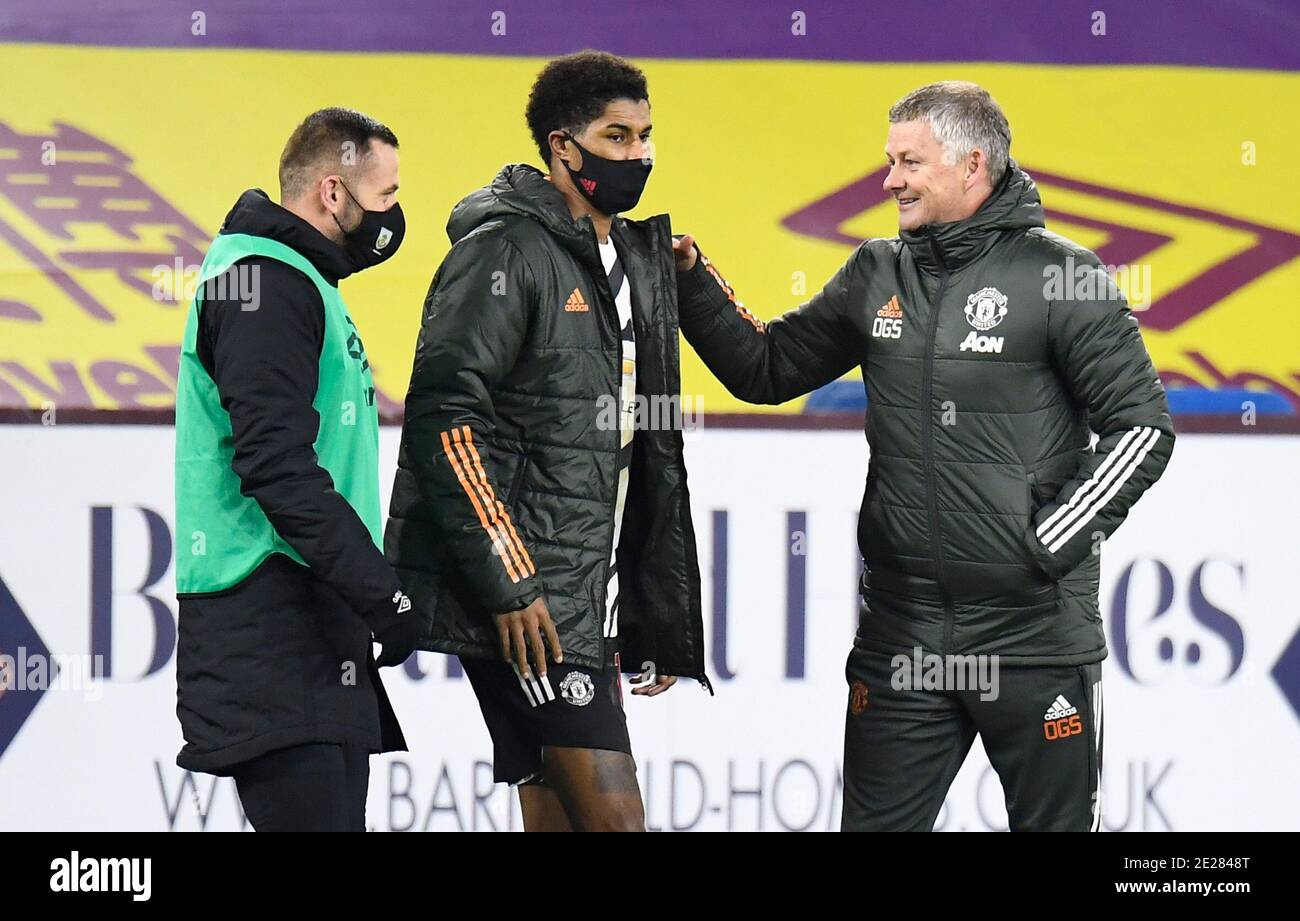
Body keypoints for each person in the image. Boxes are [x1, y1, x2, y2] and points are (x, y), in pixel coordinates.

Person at [672, 81, 1174, 831]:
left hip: (1034, 638)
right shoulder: (876, 272)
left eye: (910, 161)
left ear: (973, 164)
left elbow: (1142, 428)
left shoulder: (1063, 277)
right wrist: (688, 278)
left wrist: (1044, 544)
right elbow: (766, 369)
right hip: (901, 637)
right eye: (889, 160)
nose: (890, 180)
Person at [386, 51, 708, 832]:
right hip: (525, 605)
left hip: (578, 600)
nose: (639, 154)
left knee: (558, 818)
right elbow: (444, 417)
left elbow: (637, 456)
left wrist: (649, 614)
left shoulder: (629, 262)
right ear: (564, 146)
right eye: (617, 135)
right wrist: (512, 582)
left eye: (646, 136)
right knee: (616, 820)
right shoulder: (501, 251)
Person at [174, 108, 419, 832]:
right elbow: (276, 463)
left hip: (309, 616)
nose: (394, 215)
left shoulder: (301, 280)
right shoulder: (264, 282)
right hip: (268, 616)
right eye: (386, 195)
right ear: (333, 193)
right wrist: (380, 591)